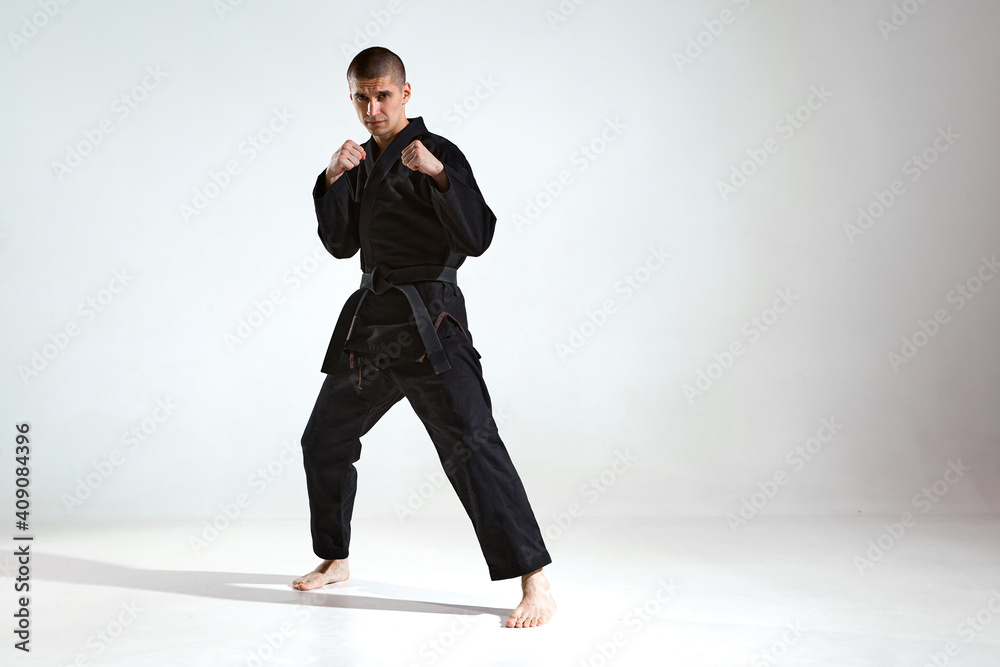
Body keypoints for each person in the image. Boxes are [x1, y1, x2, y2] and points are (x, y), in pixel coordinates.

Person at [291, 46, 556, 629]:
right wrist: (332, 179)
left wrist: (437, 177)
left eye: (382, 95)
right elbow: (340, 246)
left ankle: (534, 581)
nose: (371, 107)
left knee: (473, 444)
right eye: (360, 96)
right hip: (373, 326)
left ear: (405, 94)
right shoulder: (357, 162)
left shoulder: (439, 152)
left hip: (431, 323)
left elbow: (479, 235)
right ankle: (335, 556)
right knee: (324, 438)